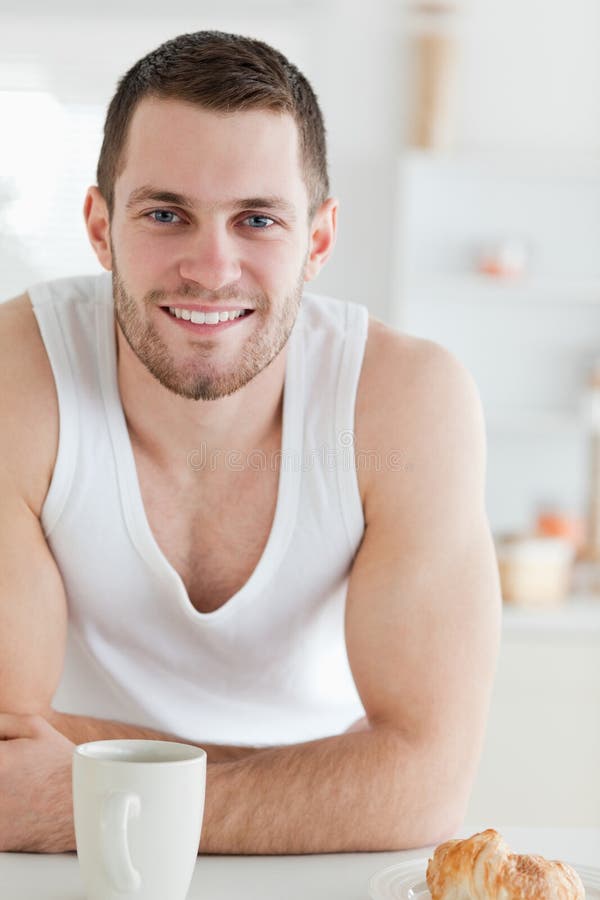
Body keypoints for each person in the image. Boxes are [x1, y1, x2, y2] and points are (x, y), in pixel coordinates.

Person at [0, 30, 501, 855]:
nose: (211, 266)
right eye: (166, 214)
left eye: (258, 219)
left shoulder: (408, 404)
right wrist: (328, 782)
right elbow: (8, 761)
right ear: (99, 227)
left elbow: (428, 784)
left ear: (318, 240)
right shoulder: (19, 380)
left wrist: (86, 794)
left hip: (184, 852)